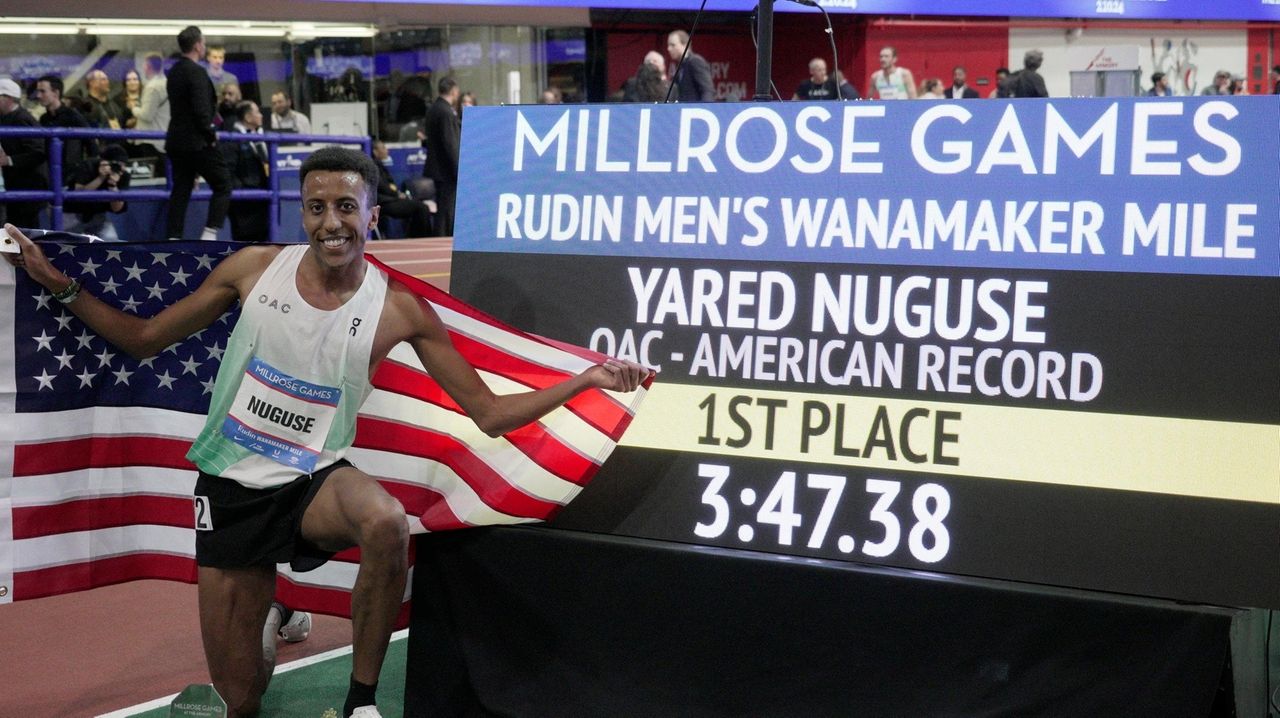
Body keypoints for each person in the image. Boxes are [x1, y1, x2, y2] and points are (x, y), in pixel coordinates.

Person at [3, 145, 649, 718]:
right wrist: (55, 283)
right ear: (302, 213)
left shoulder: (399, 309)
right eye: (316, 207)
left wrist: (586, 380)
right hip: (231, 490)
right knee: (242, 697)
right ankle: (273, 617)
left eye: (345, 206)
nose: (330, 223)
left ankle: (361, 703)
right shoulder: (254, 271)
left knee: (387, 523)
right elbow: (144, 339)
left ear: (371, 214)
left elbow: (488, 412)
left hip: (314, 481)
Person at [165, 25, 233, 241]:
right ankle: (210, 233)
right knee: (223, 183)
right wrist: (210, 133)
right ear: (197, 45)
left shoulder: (174, 71)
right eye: (203, 43)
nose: (204, 46)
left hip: (176, 141)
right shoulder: (197, 73)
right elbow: (201, 110)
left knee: (181, 190)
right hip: (198, 142)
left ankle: (173, 237)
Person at [0, 77, 49, 229]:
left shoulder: (22, 119)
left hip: (29, 189)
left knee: (27, 233)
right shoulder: (8, 118)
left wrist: (8, 160)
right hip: (17, 186)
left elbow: (38, 152)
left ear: (7, 98)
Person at [220, 100, 270, 242]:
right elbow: (228, 171)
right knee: (245, 247)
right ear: (248, 117)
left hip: (261, 202)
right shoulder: (232, 138)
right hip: (245, 206)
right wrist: (243, 193)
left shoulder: (259, 137)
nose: (261, 115)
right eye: (257, 112)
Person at [63, 144, 131, 241]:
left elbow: (117, 209)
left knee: (113, 244)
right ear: (104, 162)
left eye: (124, 164)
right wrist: (100, 178)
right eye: (116, 164)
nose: (120, 167)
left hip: (98, 215)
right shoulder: (88, 166)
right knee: (67, 246)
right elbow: (78, 196)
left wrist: (113, 186)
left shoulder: (123, 175)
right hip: (73, 213)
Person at [420, 77, 460, 236]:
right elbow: (450, 143)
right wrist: (458, 168)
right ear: (453, 91)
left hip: (438, 167)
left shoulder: (434, 109)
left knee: (444, 205)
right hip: (446, 169)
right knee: (446, 207)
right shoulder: (445, 112)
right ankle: (443, 236)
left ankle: (442, 234)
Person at [372, 140, 432, 238]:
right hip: (384, 202)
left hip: (392, 198)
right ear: (375, 151)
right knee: (422, 208)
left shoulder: (380, 165)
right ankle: (423, 239)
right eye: (383, 148)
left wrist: (397, 193)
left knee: (420, 207)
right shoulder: (373, 167)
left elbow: (390, 184)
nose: (387, 151)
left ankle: (414, 237)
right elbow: (383, 186)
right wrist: (397, 194)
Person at [35, 74, 95, 172]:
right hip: (50, 174)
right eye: (38, 91)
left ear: (56, 93)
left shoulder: (73, 117)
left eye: (42, 91)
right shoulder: (44, 119)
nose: (38, 95)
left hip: (70, 177)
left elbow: (92, 146)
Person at [134, 53, 170, 155]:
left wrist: (134, 108)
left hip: (150, 141)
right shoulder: (167, 83)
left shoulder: (152, 87)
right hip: (163, 137)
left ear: (147, 66)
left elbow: (147, 115)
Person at [667, 30, 715, 102]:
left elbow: (707, 90)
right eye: (668, 45)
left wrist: (704, 108)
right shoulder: (680, 66)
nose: (669, 49)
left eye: (673, 45)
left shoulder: (695, 61)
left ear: (685, 45)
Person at [792, 58, 857, 101]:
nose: (823, 73)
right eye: (819, 70)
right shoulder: (805, 84)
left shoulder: (833, 83)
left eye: (824, 69)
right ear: (811, 71)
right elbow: (794, 100)